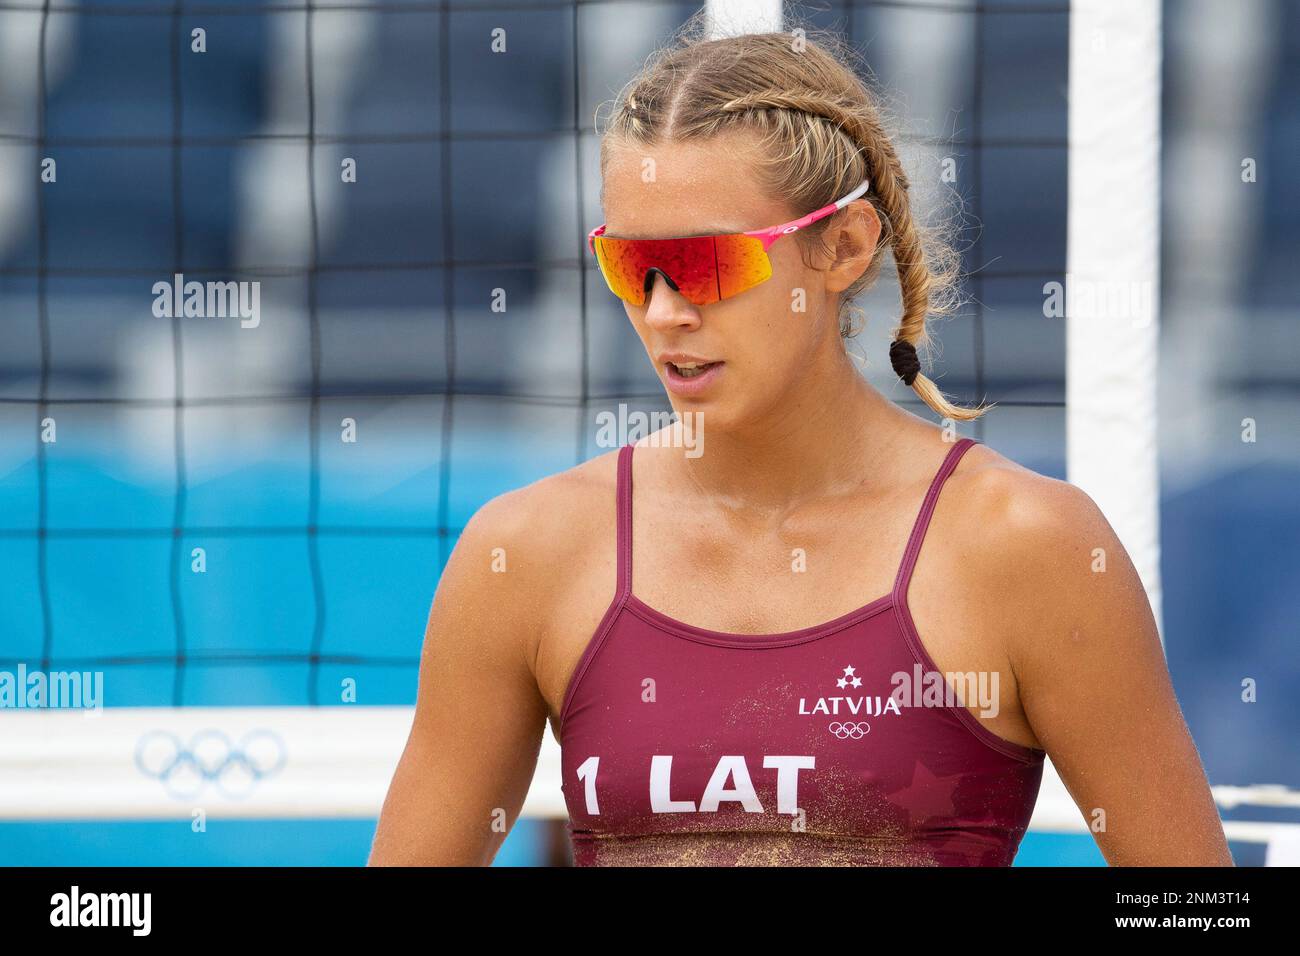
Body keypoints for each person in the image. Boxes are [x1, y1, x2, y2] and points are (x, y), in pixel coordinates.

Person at [369, 22, 1232, 867]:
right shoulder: (525, 553)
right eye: (633, 266)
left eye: (707, 263)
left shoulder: (1027, 545)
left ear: (844, 247)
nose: (666, 309)